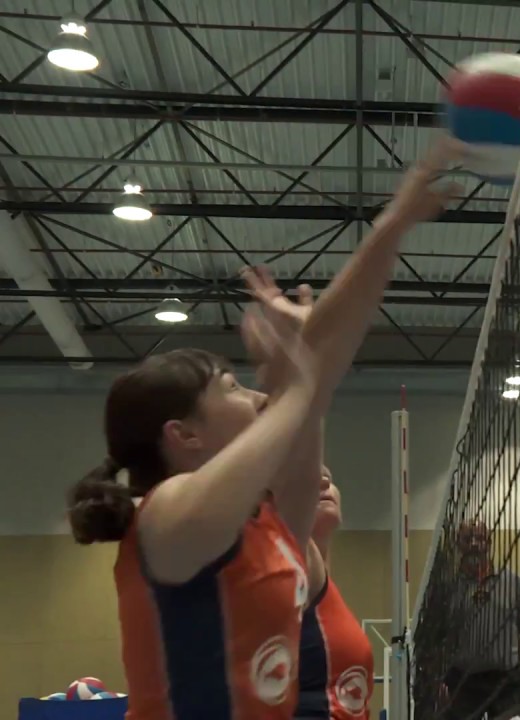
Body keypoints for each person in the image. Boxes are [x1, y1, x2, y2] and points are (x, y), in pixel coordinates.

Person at [64, 141, 459, 718]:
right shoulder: (167, 515)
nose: (252, 395)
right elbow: (302, 391)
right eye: (229, 386)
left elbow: (315, 383)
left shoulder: (273, 528)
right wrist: (293, 377)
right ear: (185, 435)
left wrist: (394, 226)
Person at [435, 520, 520, 720]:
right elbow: (438, 641)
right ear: (458, 544)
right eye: (467, 539)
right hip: (463, 682)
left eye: (479, 538)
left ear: (489, 543)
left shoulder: (513, 584)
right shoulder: (447, 590)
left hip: (506, 681)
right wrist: (437, 681)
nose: (474, 544)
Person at [296, 467, 375, 719]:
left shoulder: (329, 590)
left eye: (331, 479)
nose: (325, 481)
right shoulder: (290, 564)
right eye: (309, 477)